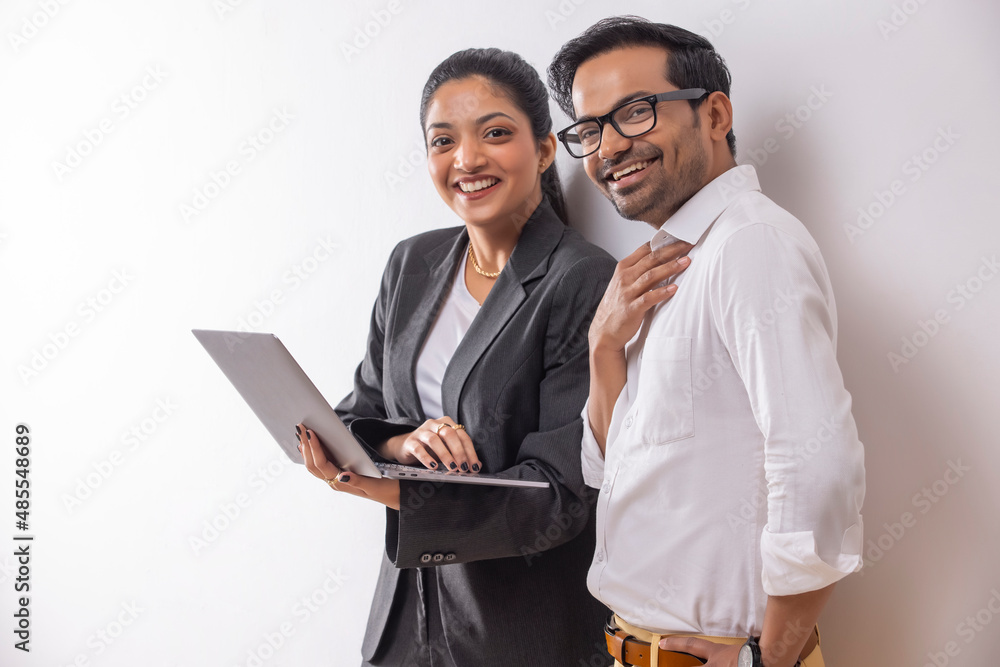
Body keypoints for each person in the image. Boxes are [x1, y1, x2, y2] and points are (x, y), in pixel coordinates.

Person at [294, 48, 687, 666]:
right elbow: (356, 413)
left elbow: (560, 496)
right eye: (442, 140)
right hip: (405, 625)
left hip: (518, 634)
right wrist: (403, 447)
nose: (466, 159)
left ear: (546, 149)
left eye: (495, 134)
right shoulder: (411, 265)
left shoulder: (582, 282)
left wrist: (394, 493)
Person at [546, 16, 866, 667]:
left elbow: (818, 467)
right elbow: (606, 475)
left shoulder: (749, 244)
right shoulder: (665, 265)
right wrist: (604, 348)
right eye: (590, 129)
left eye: (635, 113)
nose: (608, 147)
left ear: (715, 114)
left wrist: (766, 658)